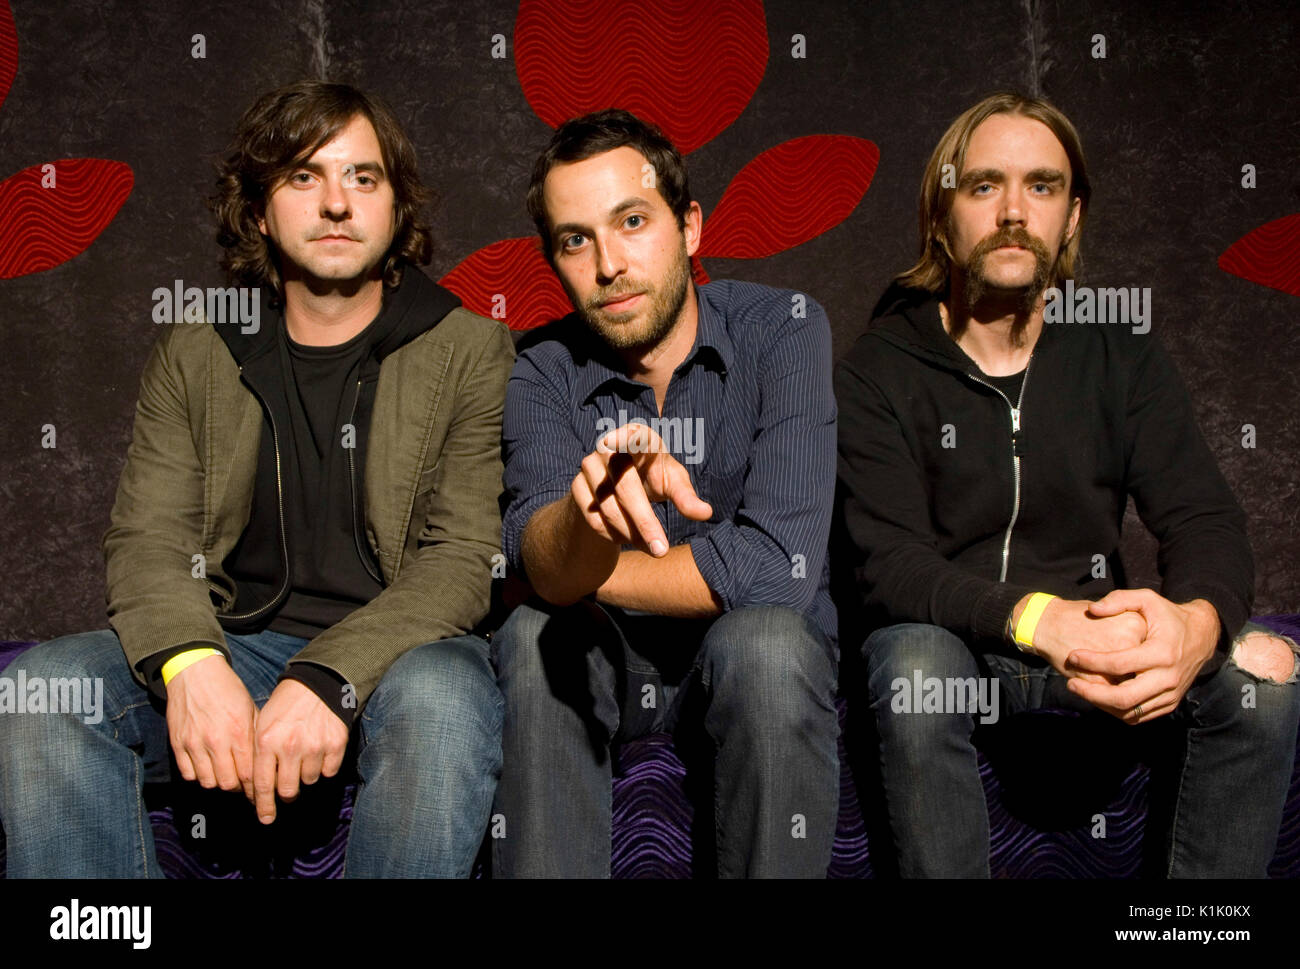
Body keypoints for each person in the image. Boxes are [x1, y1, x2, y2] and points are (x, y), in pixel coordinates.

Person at [0, 80, 514, 878]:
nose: (337, 203)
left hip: (398, 661)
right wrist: (189, 662)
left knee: (446, 701)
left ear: (395, 205)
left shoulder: (470, 349)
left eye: (363, 177)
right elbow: (149, 539)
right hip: (234, 643)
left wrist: (329, 677)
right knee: (45, 688)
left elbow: (462, 559)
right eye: (304, 177)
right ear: (261, 210)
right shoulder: (197, 349)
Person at [835, 91, 1300, 878]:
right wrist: (1037, 616)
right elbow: (890, 566)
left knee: (1267, 677)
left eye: (1042, 187)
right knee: (911, 665)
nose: (1014, 211)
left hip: (1094, 644)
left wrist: (1196, 622)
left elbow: (1206, 519)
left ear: (1072, 216)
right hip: (961, 649)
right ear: (940, 214)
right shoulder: (879, 368)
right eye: (984, 186)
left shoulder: (1120, 355)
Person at [491, 109, 840, 877]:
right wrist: (585, 520)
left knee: (771, 639)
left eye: (633, 221)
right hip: (608, 664)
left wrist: (593, 569)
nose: (608, 262)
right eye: (575, 239)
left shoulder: (784, 328)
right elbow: (537, 556)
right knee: (532, 637)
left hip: (756, 666)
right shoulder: (539, 368)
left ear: (690, 227)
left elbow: (775, 569)